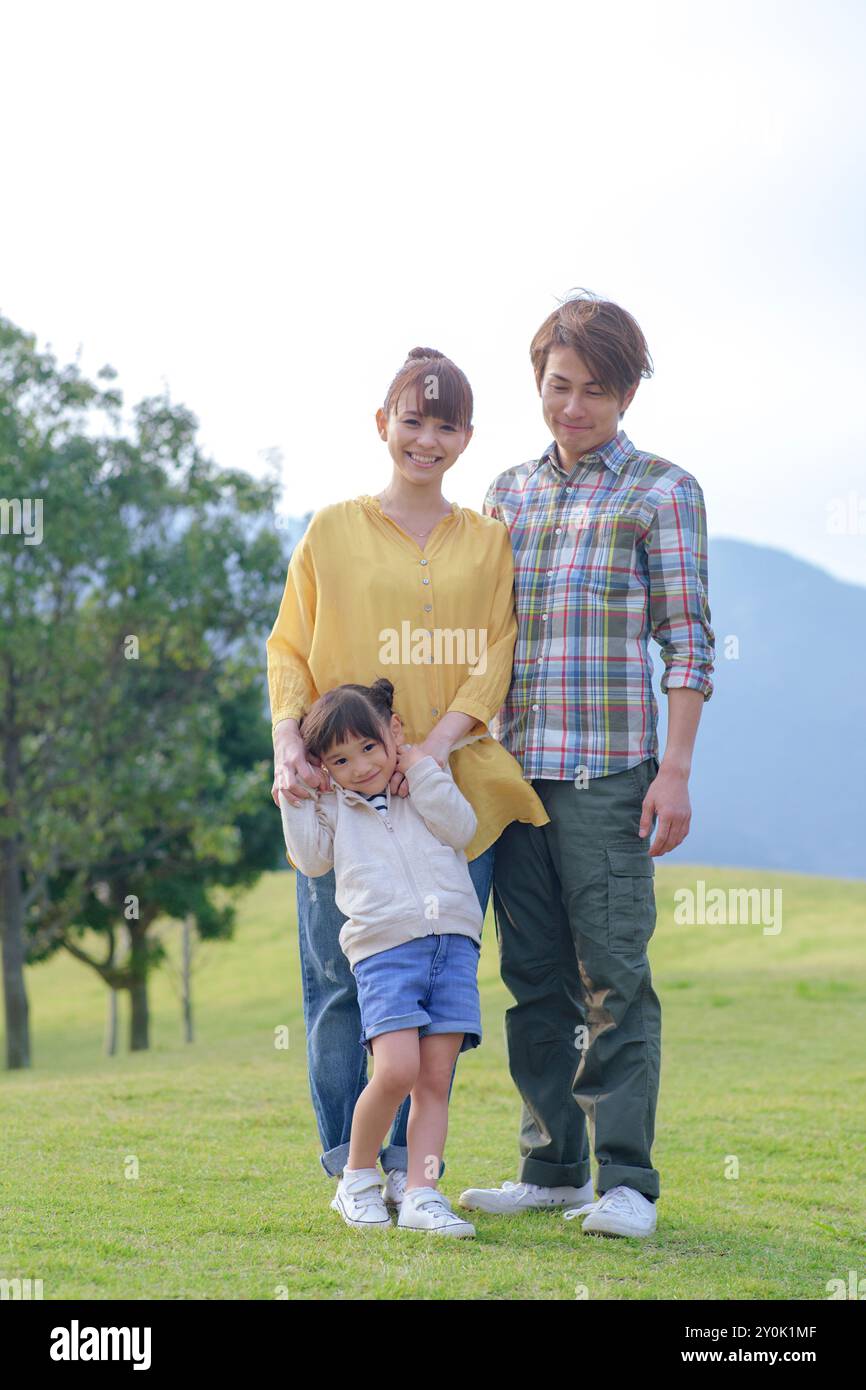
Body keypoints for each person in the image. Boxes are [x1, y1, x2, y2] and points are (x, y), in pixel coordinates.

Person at [266, 346, 549, 1213]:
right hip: (341, 794)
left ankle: (416, 1176)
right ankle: (353, 1166)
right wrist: (289, 744)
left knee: (437, 1002)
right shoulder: (330, 530)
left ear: (466, 437)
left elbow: (497, 652)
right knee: (342, 981)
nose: (426, 438)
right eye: (412, 419)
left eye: (445, 424)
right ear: (382, 423)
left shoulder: (486, 539)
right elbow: (286, 645)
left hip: (448, 795)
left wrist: (433, 747)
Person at [459, 290, 715, 1237]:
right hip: (512, 776)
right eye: (560, 386)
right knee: (533, 977)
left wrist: (674, 771)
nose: (575, 408)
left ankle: (628, 1185)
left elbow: (686, 642)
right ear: (538, 383)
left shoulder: (662, 490)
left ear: (628, 392)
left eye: (596, 392)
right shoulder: (507, 495)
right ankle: (552, 1165)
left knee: (615, 975)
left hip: (611, 775)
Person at [279, 677, 482, 1236]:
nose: (361, 765)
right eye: (341, 758)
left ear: (394, 732)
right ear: (323, 765)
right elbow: (311, 861)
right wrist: (295, 798)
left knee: (435, 1079)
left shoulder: (423, 781)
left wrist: (419, 768)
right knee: (396, 1070)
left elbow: (462, 827)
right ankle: (358, 1179)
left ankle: (422, 1193)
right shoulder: (332, 806)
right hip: (385, 952)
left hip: (453, 945)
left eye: (369, 747)